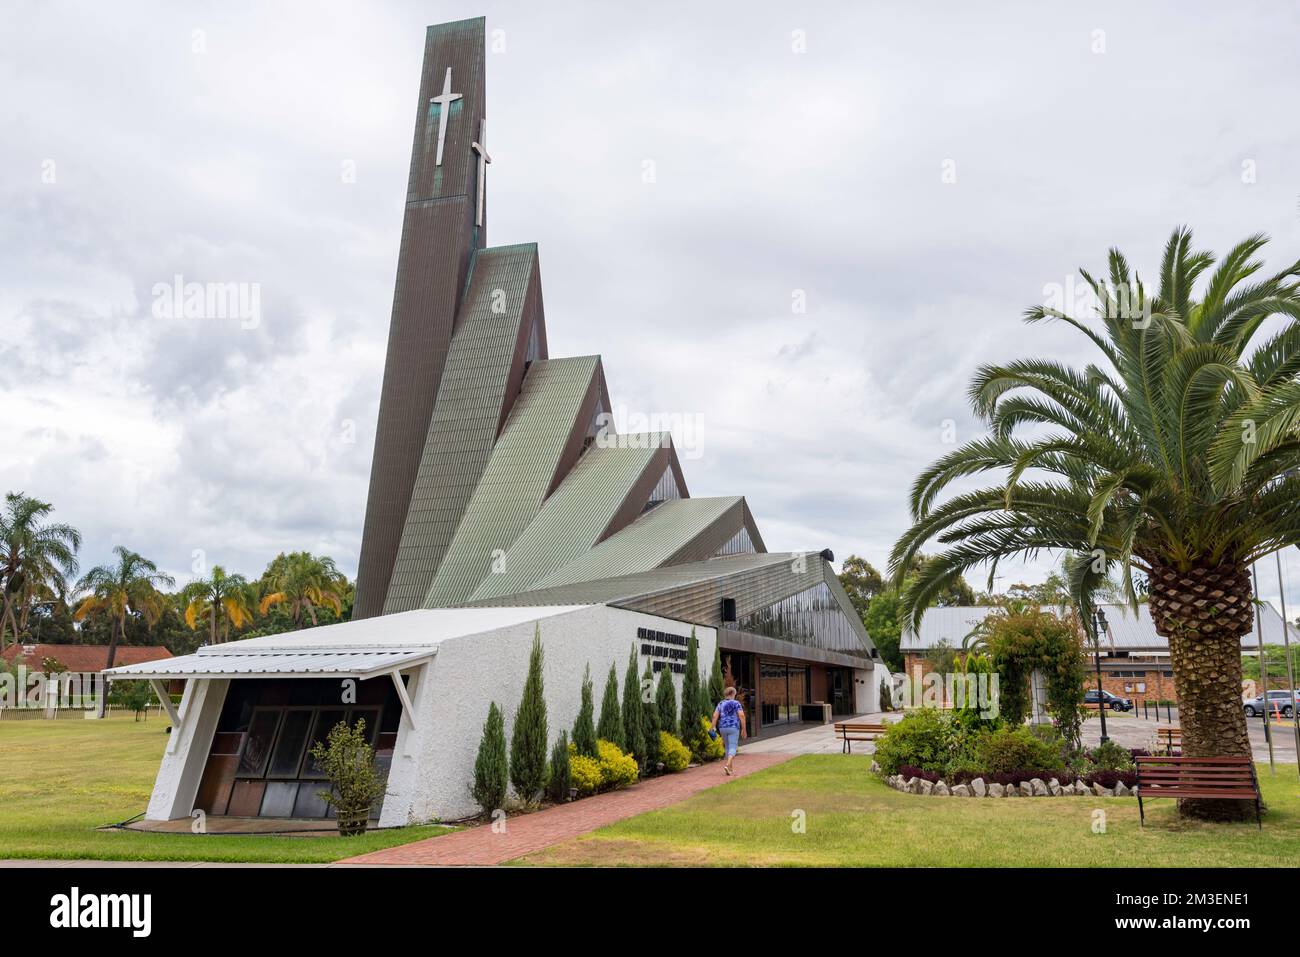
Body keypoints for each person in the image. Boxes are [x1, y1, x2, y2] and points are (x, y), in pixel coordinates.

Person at [711, 686, 747, 776]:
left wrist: (712, 727)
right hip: (733, 727)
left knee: (727, 747)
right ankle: (727, 764)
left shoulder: (721, 703)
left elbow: (715, 716)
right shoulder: (736, 703)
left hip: (722, 728)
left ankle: (730, 769)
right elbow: (742, 716)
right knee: (733, 747)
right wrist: (744, 729)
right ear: (733, 694)